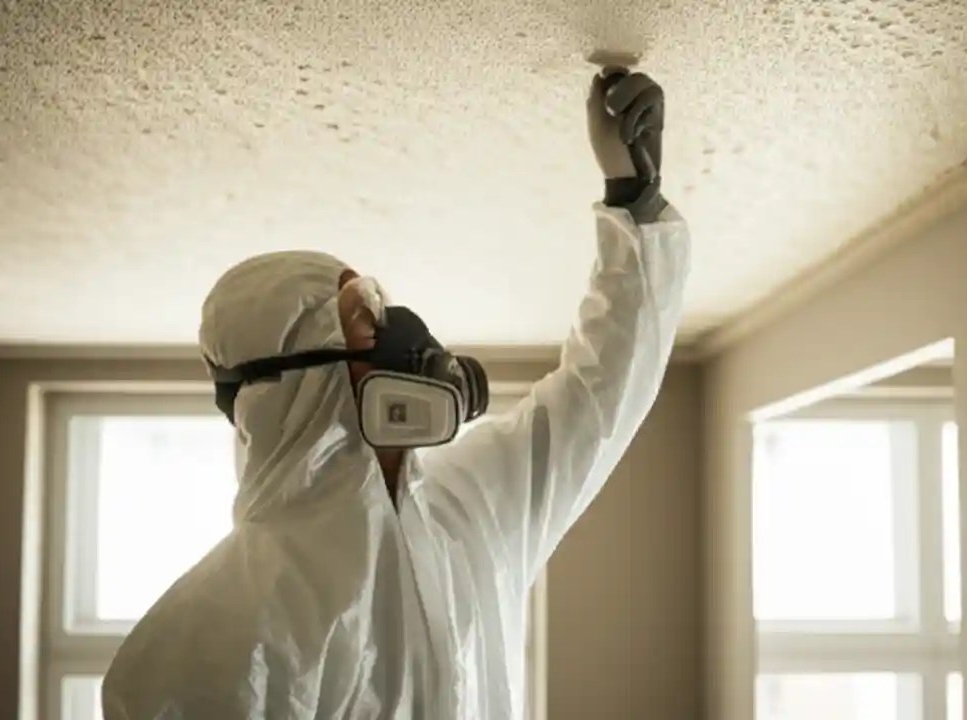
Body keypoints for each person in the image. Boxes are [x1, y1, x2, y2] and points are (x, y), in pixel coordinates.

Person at [101, 67, 690, 720]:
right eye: (362, 316)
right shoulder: (211, 634)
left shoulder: (470, 506)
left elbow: (598, 396)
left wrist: (633, 202)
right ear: (299, 381)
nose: (393, 329)